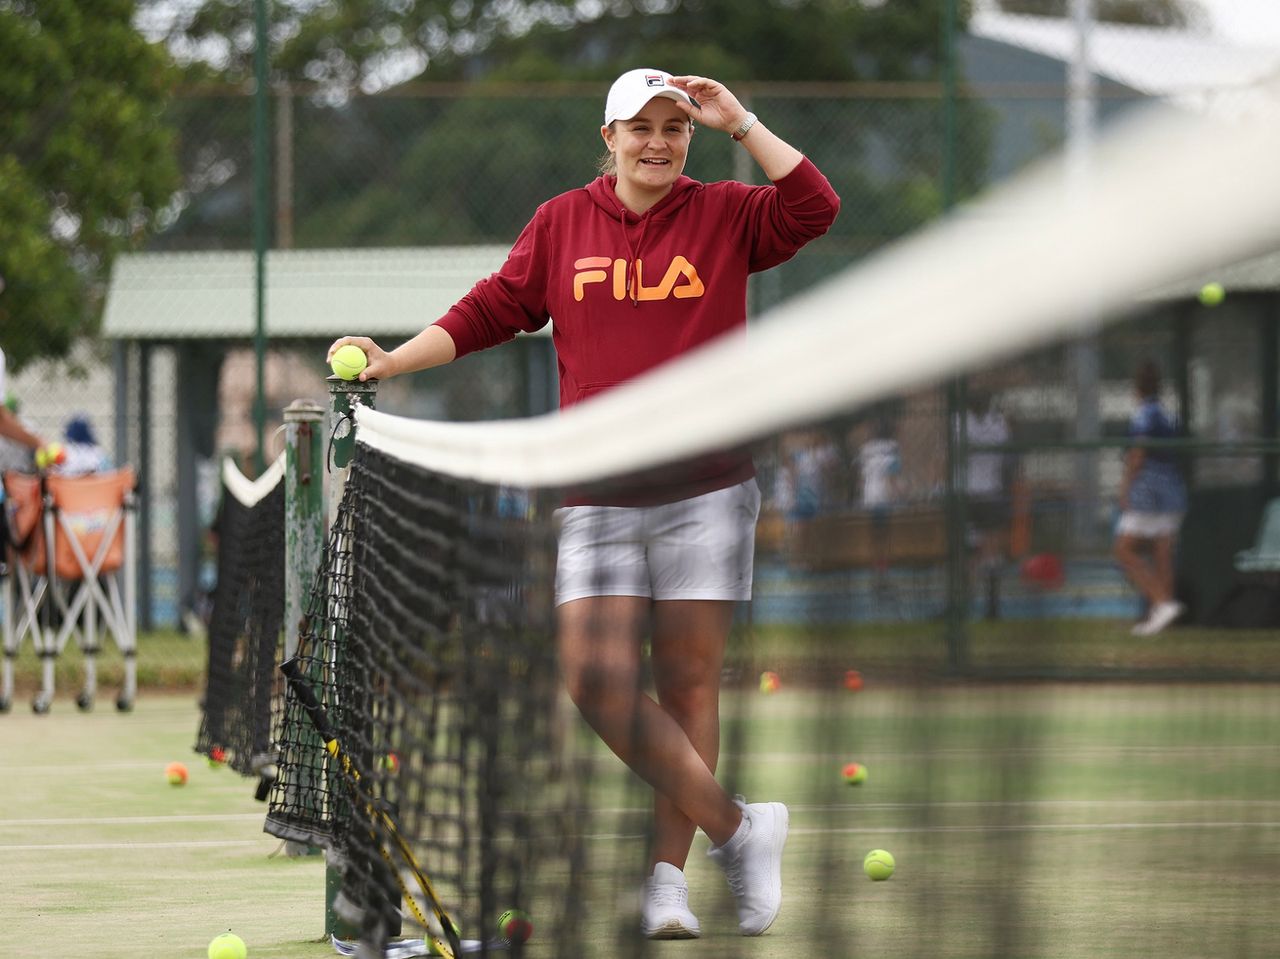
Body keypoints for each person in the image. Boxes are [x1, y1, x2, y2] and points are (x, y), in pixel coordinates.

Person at [329, 69, 839, 939]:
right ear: (607, 137)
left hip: (709, 488)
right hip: (598, 492)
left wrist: (739, 121)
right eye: (641, 128)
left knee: (686, 685)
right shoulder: (562, 221)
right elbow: (493, 308)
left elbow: (813, 206)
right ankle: (742, 830)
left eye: (674, 128)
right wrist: (391, 362)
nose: (659, 143)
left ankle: (667, 886)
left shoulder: (726, 212)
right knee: (595, 679)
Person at [1114, 361, 1186, 636]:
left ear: (1136, 389)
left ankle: (1162, 603)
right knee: (1162, 553)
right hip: (1172, 490)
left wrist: (1125, 487)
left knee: (1123, 550)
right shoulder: (1166, 414)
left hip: (1150, 490)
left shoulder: (1145, 414)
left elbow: (1138, 453)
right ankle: (1160, 617)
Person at [964, 389, 1012, 619]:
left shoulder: (962, 423)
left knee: (979, 551)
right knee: (980, 551)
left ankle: (986, 604)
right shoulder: (997, 423)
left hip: (976, 494)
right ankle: (980, 603)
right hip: (984, 493)